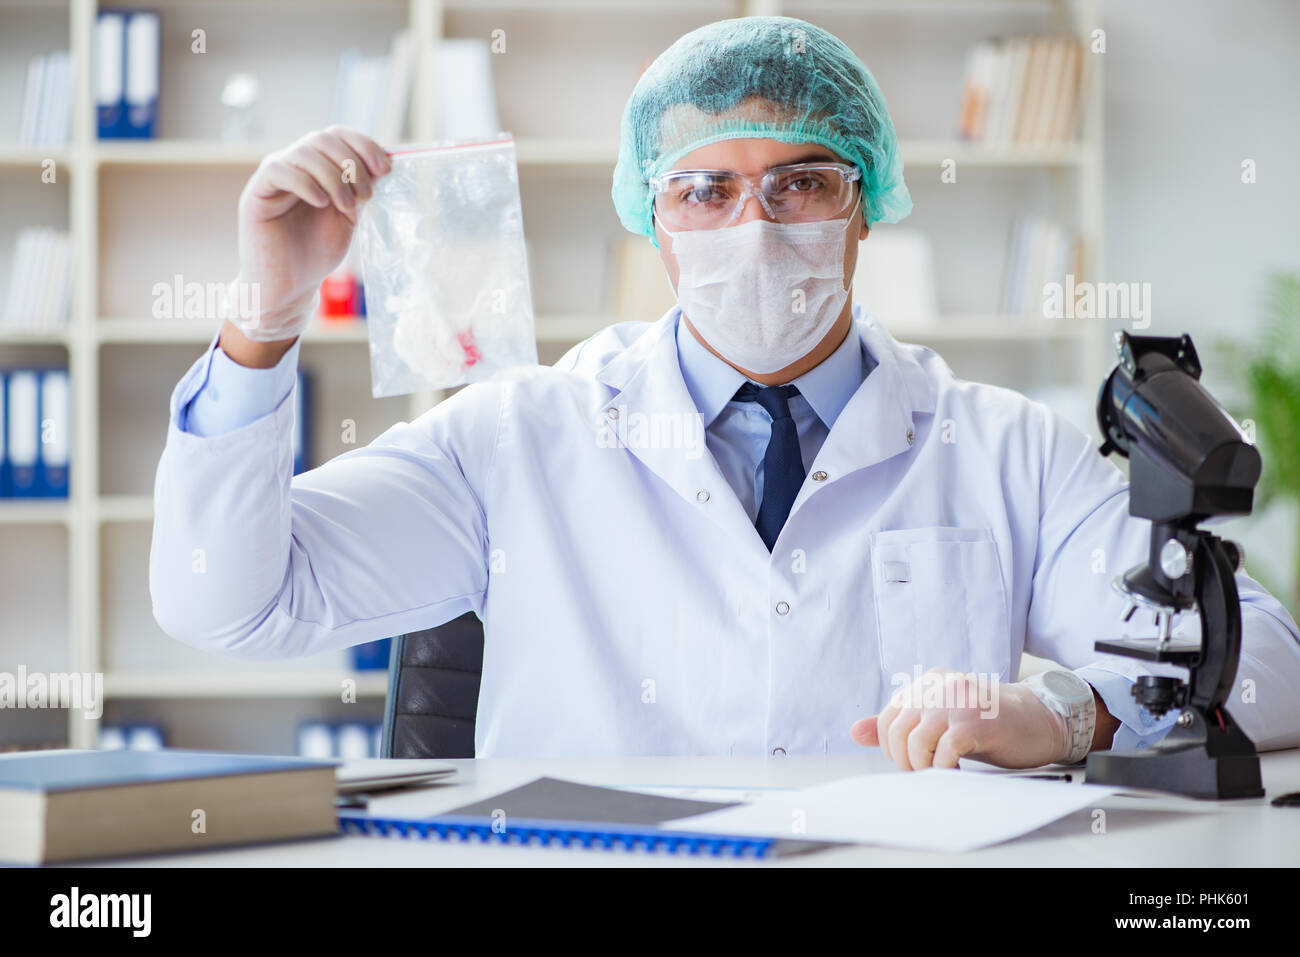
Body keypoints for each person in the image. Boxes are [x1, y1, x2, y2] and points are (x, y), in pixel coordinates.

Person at [149, 17, 1300, 766]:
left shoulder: (1000, 446)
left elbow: (1268, 667)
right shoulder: (517, 435)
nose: (753, 228)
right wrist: (266, 319)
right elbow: (226, 604)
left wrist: (1062, 715)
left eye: (800, 183)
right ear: (653, 219)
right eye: (705, 190)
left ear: (866, 204)